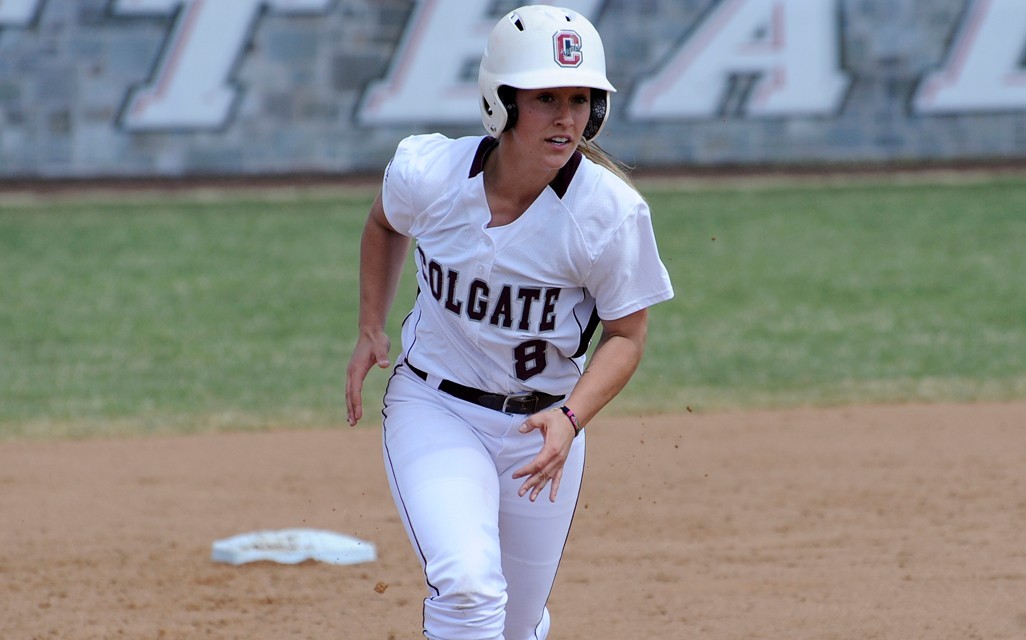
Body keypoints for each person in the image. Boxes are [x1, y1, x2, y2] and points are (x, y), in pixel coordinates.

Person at [345, 5, 674, 639]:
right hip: (434, 407)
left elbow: (627, 337)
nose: (566, 117)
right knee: (468, 590)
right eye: (545, 96)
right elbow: (385, 223)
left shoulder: (608, 214)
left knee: (516, 626)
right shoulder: (431, 175)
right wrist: (370, 326)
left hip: (540, 433)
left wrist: (571, 416)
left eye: (581, 99)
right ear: (501, 102)